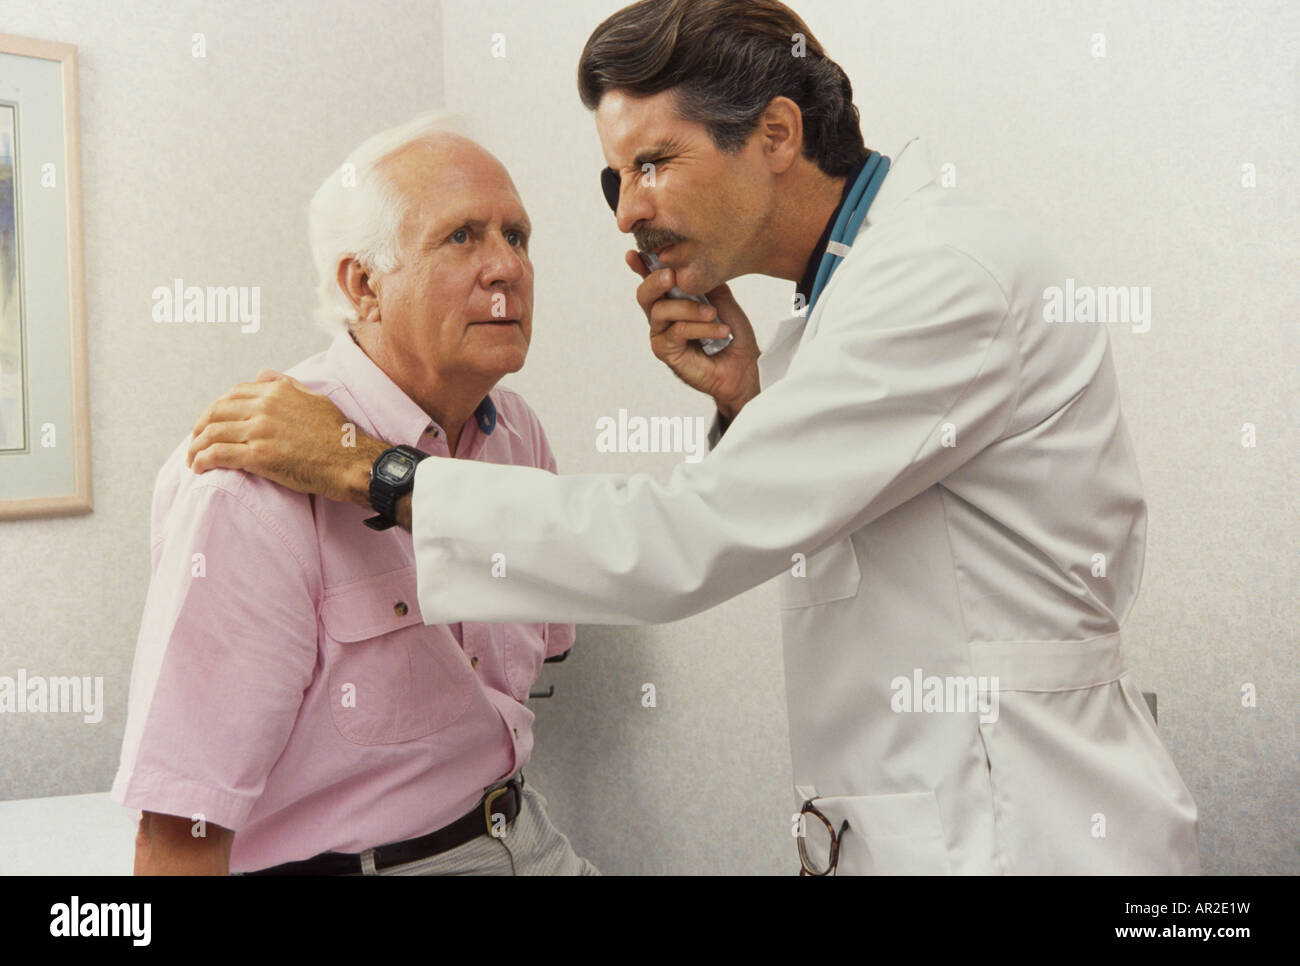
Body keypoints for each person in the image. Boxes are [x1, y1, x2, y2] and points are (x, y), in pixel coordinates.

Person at [187, 0, 1199, 874]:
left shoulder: (935, 279)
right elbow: (847, 520)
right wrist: (749, 405)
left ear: (774, 133)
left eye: (653, 162)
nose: (631, 211)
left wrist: (377, 472)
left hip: (1018, 825)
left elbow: (687, 540)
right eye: (615, 178)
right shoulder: (844, 301)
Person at [114, 114, 598, 875]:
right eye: (463, 237)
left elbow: (556, 634)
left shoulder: (516, 434)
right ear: (363, 285)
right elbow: (179, 833)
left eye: (518, 236)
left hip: (521, 834)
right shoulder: (248, 483)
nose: (506, 267)